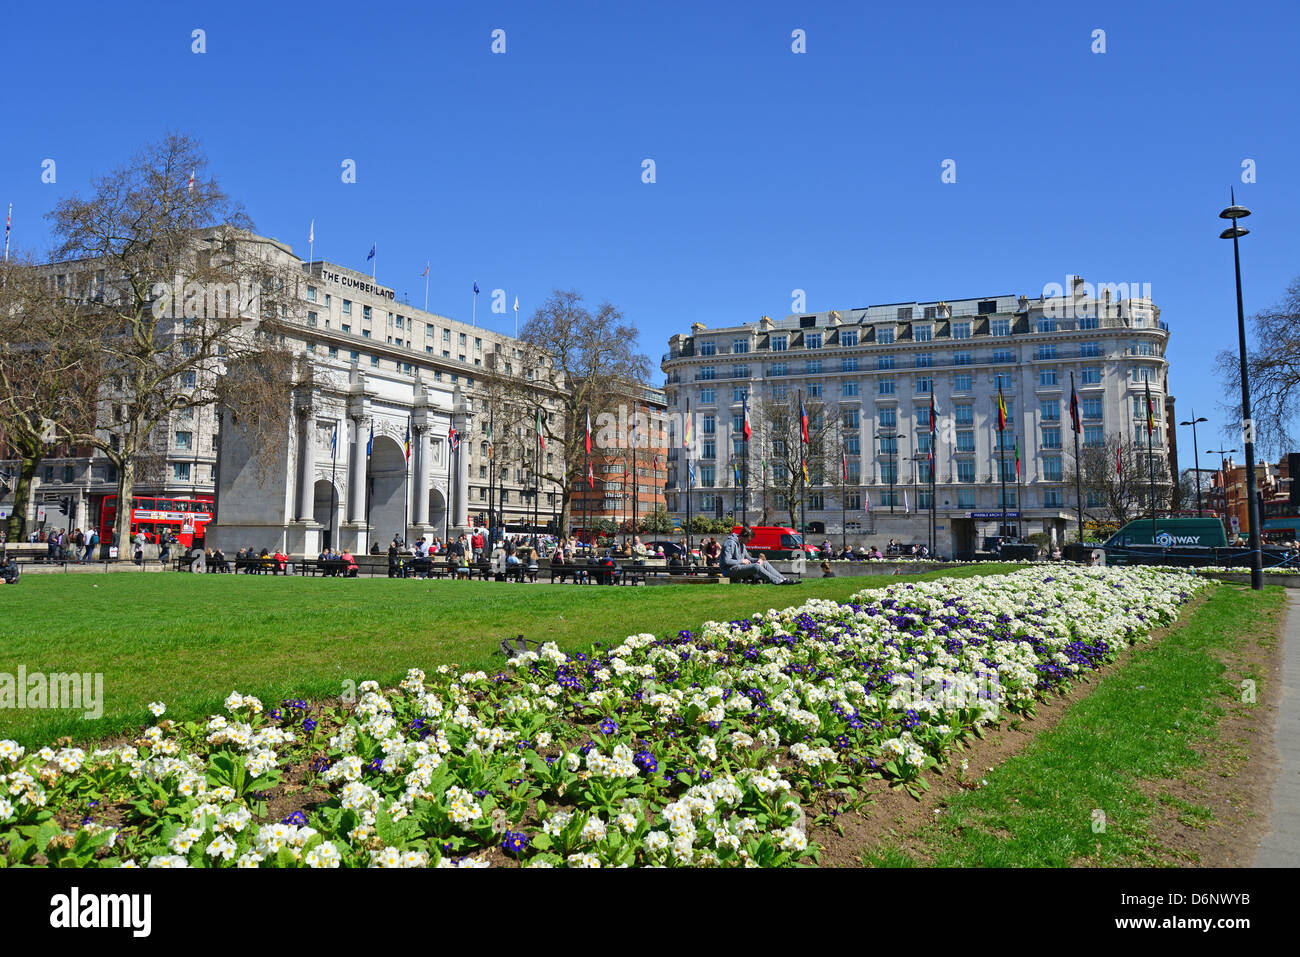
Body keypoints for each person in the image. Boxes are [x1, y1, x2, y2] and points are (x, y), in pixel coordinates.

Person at [721, 526, 798, 585]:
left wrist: (758, 560)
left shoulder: (742, 544)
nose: (749, 542)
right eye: (748, 540)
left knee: (764, 562)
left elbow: (749, 558)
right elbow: (726, 561)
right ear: (743, 536)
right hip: (729, 570)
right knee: (756, 566)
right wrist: (742, 561)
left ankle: (784, 579)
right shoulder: (730, 543)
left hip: (738, 567)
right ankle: (777, 581)